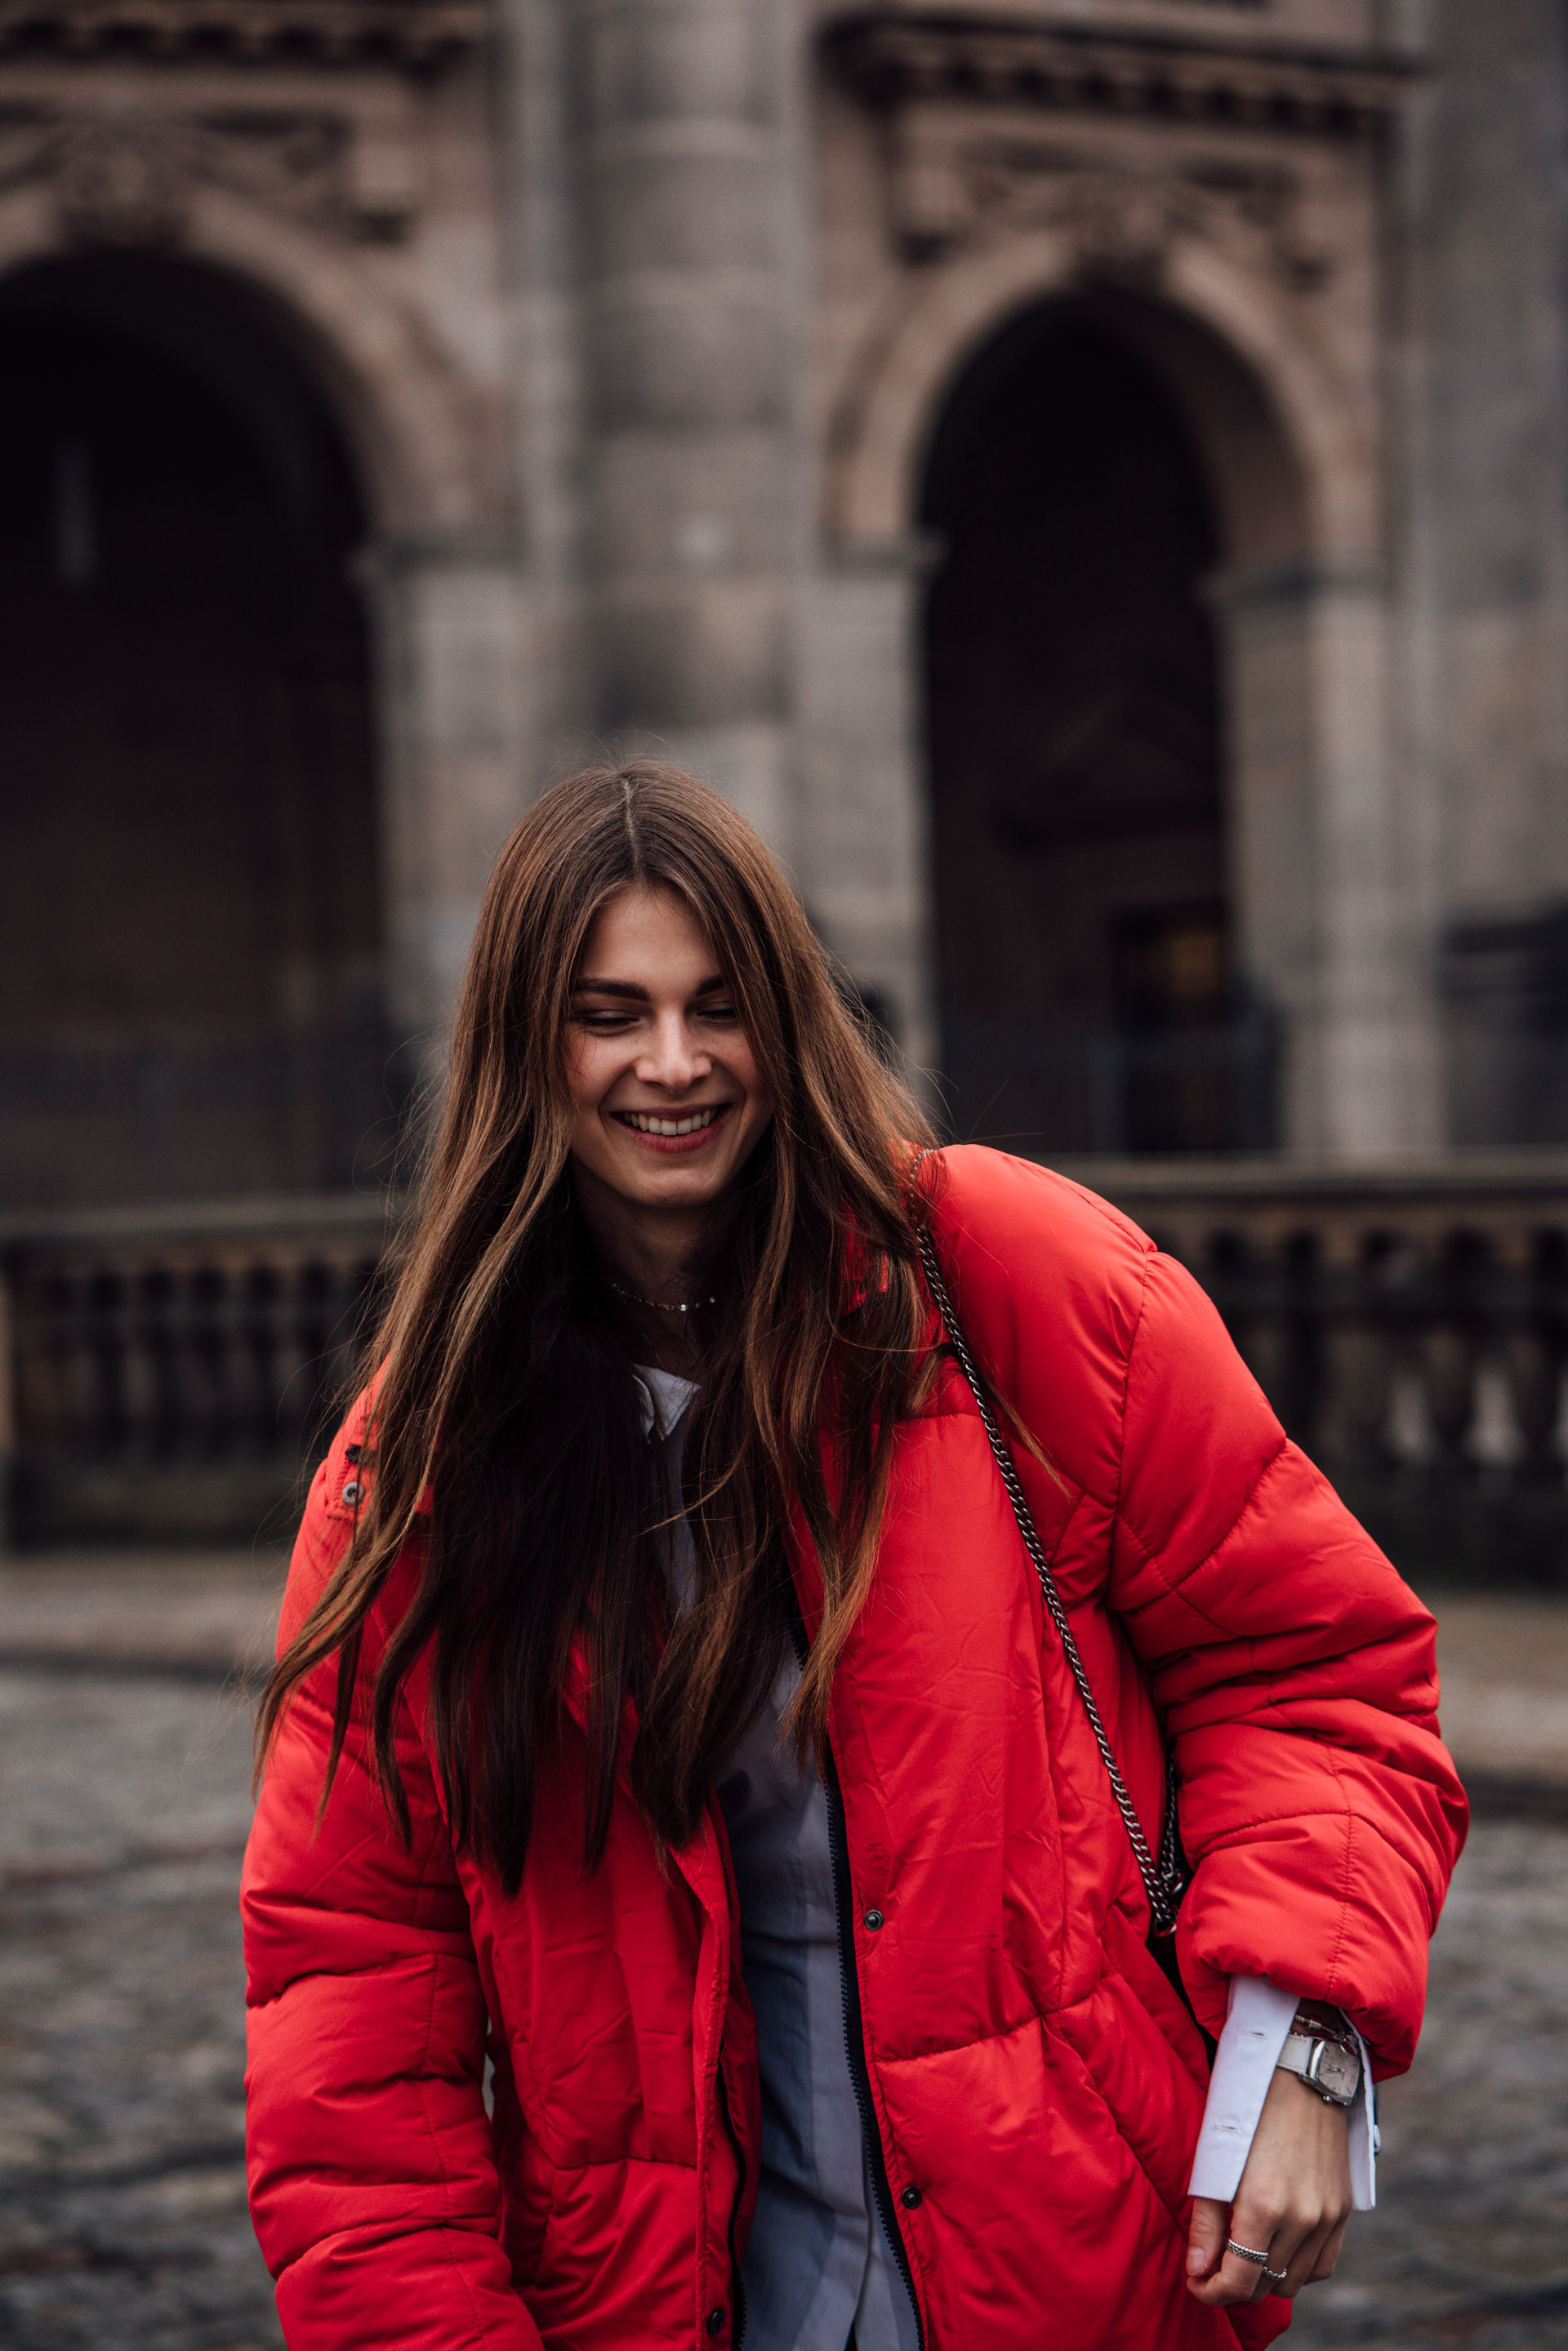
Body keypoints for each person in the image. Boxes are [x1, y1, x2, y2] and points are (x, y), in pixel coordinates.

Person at [243, 761, 1467, 2351]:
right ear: (523, 1048)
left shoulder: (1018, 1284)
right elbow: (352, 2028)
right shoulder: (414, 1466)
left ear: (790, 1016)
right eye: (610, 1013)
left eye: (718, 1005)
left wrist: (1305, 2043)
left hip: (1081, 2276)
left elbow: (1318, 1679)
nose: (672, 1063)